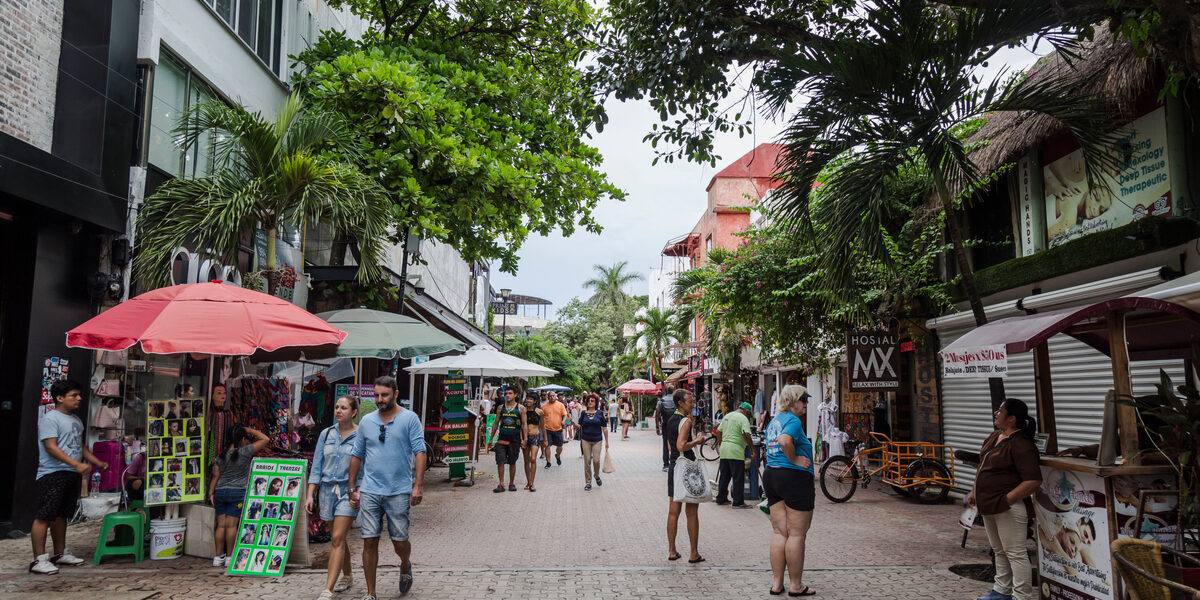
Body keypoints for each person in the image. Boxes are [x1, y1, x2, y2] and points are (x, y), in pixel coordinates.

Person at [348, 375, 426, 599]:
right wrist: (351, 486)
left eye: (384, 395)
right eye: (376, 395)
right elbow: (357, 454)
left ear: (396, 394)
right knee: (369, 540)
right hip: (371, 490)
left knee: (399, 540)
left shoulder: (410, 419)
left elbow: (419, 452)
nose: (380, 399)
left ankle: (405, 563)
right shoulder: (367, 421)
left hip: (398, 490)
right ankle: (371, 594)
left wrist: (417, 486)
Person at [29, 380, 108, 574]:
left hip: (71, 474)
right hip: (52, 473)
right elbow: (50, 446)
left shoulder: (76, 420)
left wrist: (96, 462)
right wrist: (76, 464)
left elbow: (80, 446)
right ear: (60, 398)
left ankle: (59, 552)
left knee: (61, 515)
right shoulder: (51, 419)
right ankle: (38, 559)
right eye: (74, 395)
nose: (79, 398)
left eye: (78, 395)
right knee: (44, 516)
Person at [968, 398, 1042, 600]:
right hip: (989, 504)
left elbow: (1033, 480)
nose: (995, 414)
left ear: (1011, 418)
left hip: (1008, 508)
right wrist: (975, 490)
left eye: (1000, 411)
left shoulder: (1022, 445)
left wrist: (1008, 499)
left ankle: (1021, 596)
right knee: (999, 550)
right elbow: (983, 466)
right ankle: (1001, 591)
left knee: (1015, 553)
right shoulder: (995, 437)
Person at [764, 385, 816, 596]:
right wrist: (794, 459)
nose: (806, 404)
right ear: (793, 401)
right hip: (794, 477)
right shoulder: (793, 421)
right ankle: (796, 585)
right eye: (804, 399)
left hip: (772, 475)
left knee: (779, 532)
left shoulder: (774, 421)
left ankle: (777, 584)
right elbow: (784, 441)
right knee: (796, 534)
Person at [306, 395, 361, 599]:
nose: (338, 410)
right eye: (337, 407)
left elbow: (365, 467)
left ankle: (327, 589)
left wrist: (359, 491)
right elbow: (317, 467)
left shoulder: (361, 435)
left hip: (349, 491)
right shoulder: (326, 434)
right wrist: (310, 494)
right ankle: (347, 574)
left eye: (344, 408)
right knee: (338, 537)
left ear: (354, 412)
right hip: (327, 492)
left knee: (337, 538)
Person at [208, 425, 270, 567]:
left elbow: (215, 476)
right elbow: (265, 439)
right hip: (237, 493)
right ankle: (230, 557)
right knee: (231, 526)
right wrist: (249, 430)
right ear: (242, 439)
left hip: (220, 492)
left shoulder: (220, 456)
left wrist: (211, 494)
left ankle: (218, 557)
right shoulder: (245, 452)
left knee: (221, 526)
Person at [664, 389, 708, 563]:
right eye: (689, 401)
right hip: (687, 468)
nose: (692, 403)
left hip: (674, 465)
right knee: (691, 512)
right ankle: (694, 553)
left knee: (673, 511)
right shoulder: (686, 422)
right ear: (680, 403)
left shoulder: (670, 420)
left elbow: (671, 446)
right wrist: (697, 440)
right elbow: (681, 445)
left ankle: (672, 551)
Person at [715, 402, 757, 508]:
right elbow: (746, 434)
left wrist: (721, 443)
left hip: (724, 449)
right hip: (736, 450)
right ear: (746, 411)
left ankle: (721, 498)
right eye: (749, 414)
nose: (748, 416)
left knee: (724, 476)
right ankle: (738, 502)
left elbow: (718, 431)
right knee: (738, 477)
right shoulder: (743, 419)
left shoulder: (727, 416)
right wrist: (752, 450)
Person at [487, 387, 526, 493]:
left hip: (515, 439)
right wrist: (491, 438)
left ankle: (511, 483)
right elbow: (495, 423)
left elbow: (524, 424)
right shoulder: (500, 407)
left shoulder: (521, 408)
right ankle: (501, 483)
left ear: (515, 395)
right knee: (500, 461)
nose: (507, 395)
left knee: (512, 462)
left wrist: (524, 439)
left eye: (510, 393)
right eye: (506, 393)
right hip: (502, 439)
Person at [577, 394, 609, 490]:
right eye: (589, 401)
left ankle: (596, 475)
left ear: (596, 403)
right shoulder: (583, 413)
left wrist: (607, 442)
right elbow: (579, 425)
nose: (590, 402)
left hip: (597, 440)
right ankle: (588, 482)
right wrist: (573, 424)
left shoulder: (599, 413)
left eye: (592, 401)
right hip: (585, 439)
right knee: (587, 460)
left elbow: (604, 428)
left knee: (596, 460)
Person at [522, 391, 545, 492]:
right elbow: (521, 426)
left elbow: (543, 426)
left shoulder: (539, 411)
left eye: (531, 399)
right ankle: (529, 482)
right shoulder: (523, 410)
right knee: (526, 460)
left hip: (535, 436)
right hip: (525, 437)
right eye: (527, 399)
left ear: (535, 401)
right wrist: (522, 438)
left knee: (533, 458)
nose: (528, 400)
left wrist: (545, 439)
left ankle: (532, 482)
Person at [540, 392, 568, 468]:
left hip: (558, 428)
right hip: (547, 429)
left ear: (555, 397)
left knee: (560, 446)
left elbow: (565, 414)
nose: (552, 397)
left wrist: (563, 421)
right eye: (550, 396)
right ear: (548, 397)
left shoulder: (560, 405)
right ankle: (548, 462)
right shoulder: (544, 407)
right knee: (547, 445)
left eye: (553, 396)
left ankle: (557, 456)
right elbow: (541, 418)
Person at [655, 386, 677, 472]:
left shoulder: (661, 401)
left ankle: (666, 465)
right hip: (675, 424)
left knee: (665, 444)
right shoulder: (676, 400)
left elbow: (657, 414)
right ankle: (674, 463)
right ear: (674, 391)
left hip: (665, 424)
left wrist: (657, 427)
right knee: (675, 443)